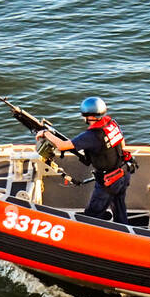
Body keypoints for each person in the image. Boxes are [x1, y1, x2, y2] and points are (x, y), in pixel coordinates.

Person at [38, 96, 131, 224]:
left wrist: (45, 133)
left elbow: (62, 146)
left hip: (108, 181)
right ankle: (124, 234)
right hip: (123, 173)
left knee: (92, 215)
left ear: (89, 116)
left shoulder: (92, 135)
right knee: (120, 209)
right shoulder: (111, 123)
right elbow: (122, 144)